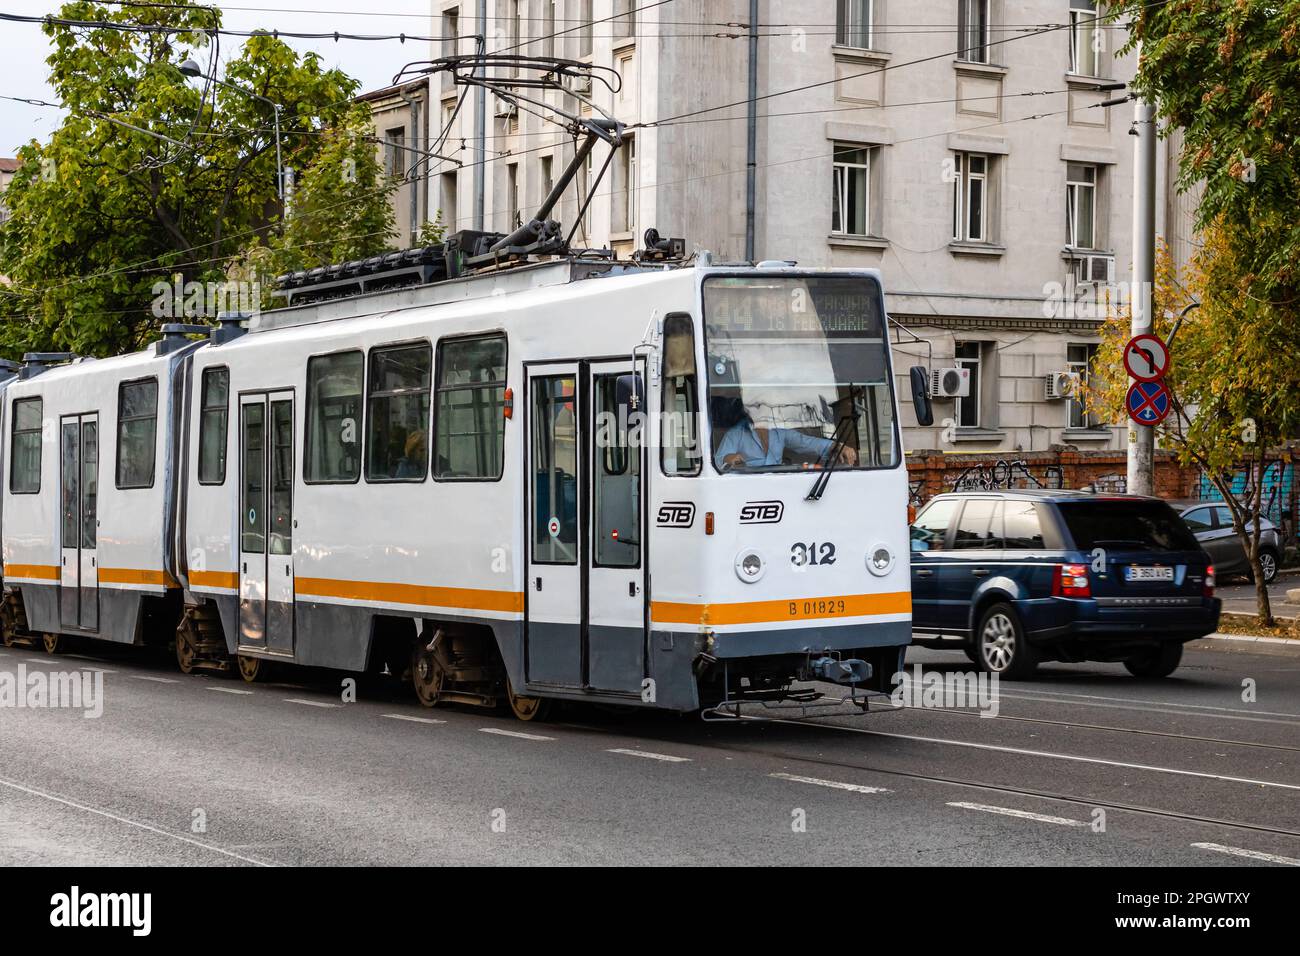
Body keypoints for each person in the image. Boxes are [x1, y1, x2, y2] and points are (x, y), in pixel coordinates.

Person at [715, 415, 858, 470]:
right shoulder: (736, 433)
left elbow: (806, 442)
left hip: (781, 487)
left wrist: (836, 446)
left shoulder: (780, 430)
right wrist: (729, 458)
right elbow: (719, 460)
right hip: (748, 489)